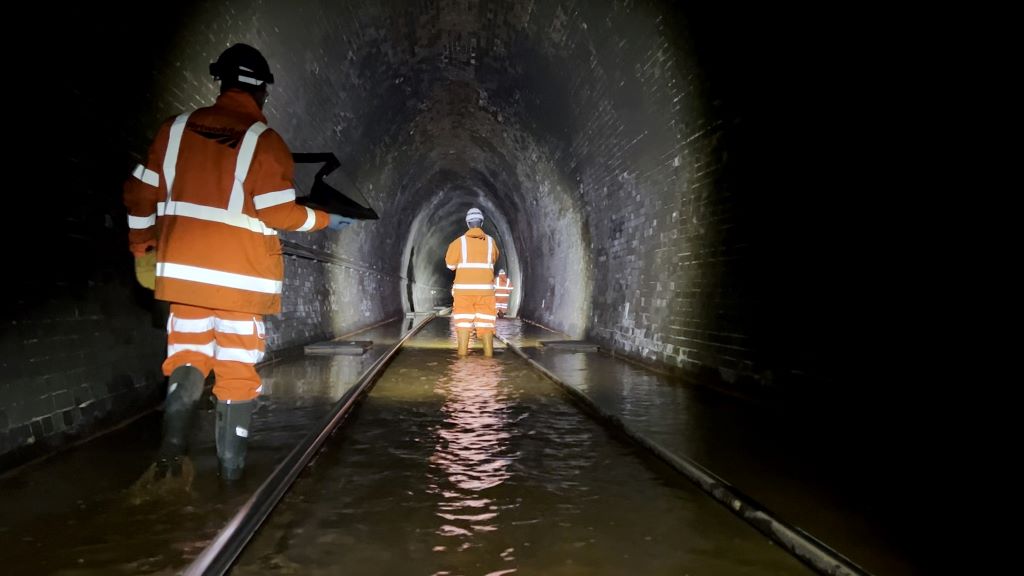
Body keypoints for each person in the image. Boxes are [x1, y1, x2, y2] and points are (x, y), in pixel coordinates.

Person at [123, 43, 354, 481]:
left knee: (187, 356)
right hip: (240, 285)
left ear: (221, 82)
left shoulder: (173, 131)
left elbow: (138, 194)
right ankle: (231, 479)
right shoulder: (264, 142)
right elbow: (278, 212)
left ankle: (169, 460)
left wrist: (143, 245)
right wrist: (326, 219)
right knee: (235, 372)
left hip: (184, 283)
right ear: (262, 91)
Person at [445, 207, 500, 356]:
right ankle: (489, 362)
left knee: (463, 327)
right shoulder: (491, 242)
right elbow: (494, 259)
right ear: (481, 223)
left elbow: (450, 265)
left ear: (468, 224)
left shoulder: (458, 243)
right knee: (487, 327)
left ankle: (462, 362)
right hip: (486, 293)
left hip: (463, 294)